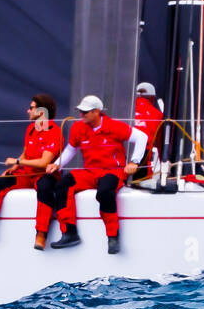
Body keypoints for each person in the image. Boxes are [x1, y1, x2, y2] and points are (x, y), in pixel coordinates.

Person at [46, 95, 147, 253]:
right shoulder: (78, 128)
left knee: (105, 192)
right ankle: (69, 233)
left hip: (113, 171)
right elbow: (71, 150)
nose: (81, 115)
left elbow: (142, 137)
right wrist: (57, 164)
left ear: (97, 112)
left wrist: (134, 162)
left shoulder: (114, 126)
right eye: (80, 111)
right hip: (89, 172)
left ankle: (113, 236)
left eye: (85, 112)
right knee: (62, 186)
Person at [0, 94, 63, 249]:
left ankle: (41, 234)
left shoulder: (54, 132)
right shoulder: (31, 129)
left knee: (45, 188)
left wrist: (17, 162)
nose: (28, 111)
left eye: (31, 107)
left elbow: (44, 162)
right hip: (27, 174)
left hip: (44, 174)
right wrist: (14, 168)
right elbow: (26, 152)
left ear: (42, 111)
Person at [133, 81, 164, 175]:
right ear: (153, 98)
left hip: (122, 154)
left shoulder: (124, 109)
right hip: (143, 157)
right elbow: (160, 143)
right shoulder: (158, 115)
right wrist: (164, 162)